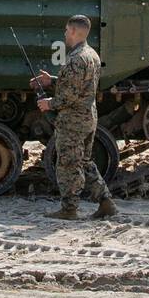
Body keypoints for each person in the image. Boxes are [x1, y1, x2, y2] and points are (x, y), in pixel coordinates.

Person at [30, 15, 118, 221]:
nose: (64, 35)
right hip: (88, 117)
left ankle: (69, 209)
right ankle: (106, 203)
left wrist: (48, 103)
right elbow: (79, 85)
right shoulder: (91, 55)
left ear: (73, 31)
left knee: (68, 164)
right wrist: (51, 80)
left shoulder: (75, 59)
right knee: (85, 161)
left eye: (66, 31)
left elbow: (68, 95)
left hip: (72, 121)